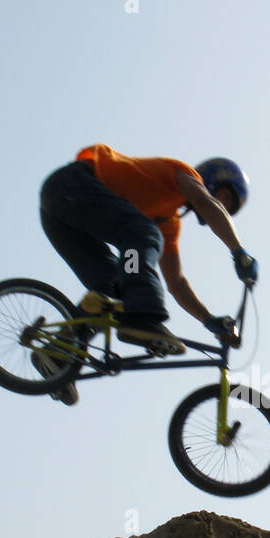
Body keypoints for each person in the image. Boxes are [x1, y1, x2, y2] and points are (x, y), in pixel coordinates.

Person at [35, 146, 258, 404]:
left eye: (229, 208)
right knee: (142, 234)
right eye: (225, 198)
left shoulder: (168, 224)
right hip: (71, 186)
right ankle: (142, 318)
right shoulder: (183, 175)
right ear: (212, 178)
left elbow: (176, 283)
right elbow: (206, 203)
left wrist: (207, 319)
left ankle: (58, 353)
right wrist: (239, 252)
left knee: (115, 289)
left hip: (61, 216)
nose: (224, 207)